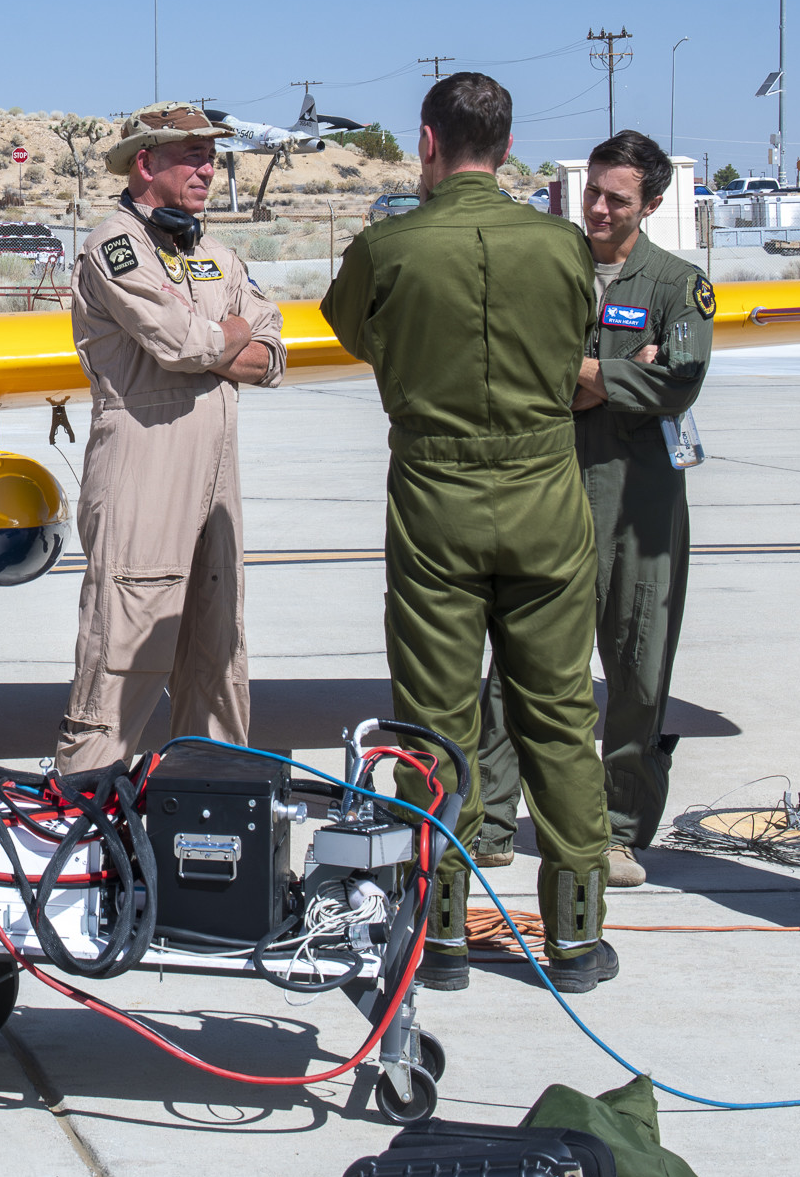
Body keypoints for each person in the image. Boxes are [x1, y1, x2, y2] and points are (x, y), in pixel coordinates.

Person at [322, 74, 616, 993]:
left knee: (435, 720)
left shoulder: (389, 244)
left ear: (428, 141)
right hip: (544, 495)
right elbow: (579, 340)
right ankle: (575, 935)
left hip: (436, 495)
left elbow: (352, 331)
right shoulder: (564, 244)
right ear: (507, 141)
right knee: (559, 714)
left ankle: (438, 932)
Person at [473, 131, 712, 887]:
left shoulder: (677, 284)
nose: (599, 210)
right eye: (593, 195)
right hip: (548, 489)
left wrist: (584, 375)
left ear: (653, 205)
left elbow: (679, 381)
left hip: (640, 502)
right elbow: (516, 367)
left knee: (638, 665)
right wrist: (613, 371)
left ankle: (616, 829)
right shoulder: (549, 270)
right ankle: (488, 819)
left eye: (618, 199)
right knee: (523, 657)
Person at [53, 103, 284, 775]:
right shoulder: (114, 246)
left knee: (216, 657)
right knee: (121, 655)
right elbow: (181, 343)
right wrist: (226, 336)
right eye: (192, 156)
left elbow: (272, 352)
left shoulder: (217, 254)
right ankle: (85, 820)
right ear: (146, 163)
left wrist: (229, 340)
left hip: (216, 486)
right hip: (142, 470)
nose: (208, 168)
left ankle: (210, 820)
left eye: (212, 156)